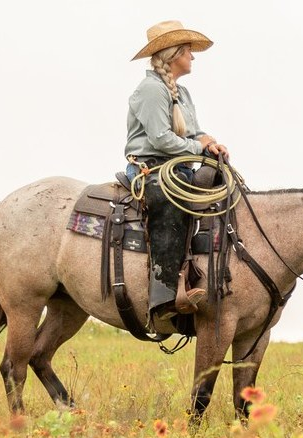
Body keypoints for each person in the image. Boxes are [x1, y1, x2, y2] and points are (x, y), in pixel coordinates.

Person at [126, 20, 229, 323]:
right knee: (171, 203)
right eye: (188, 51)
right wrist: (198, 148)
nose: (193, 57)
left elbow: (193, 133)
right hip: (151, 169)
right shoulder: (150, 90)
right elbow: (159, 138)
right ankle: (164, 296)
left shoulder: (181, 93)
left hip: (179, 166)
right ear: (173, 56)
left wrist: (209, 143)